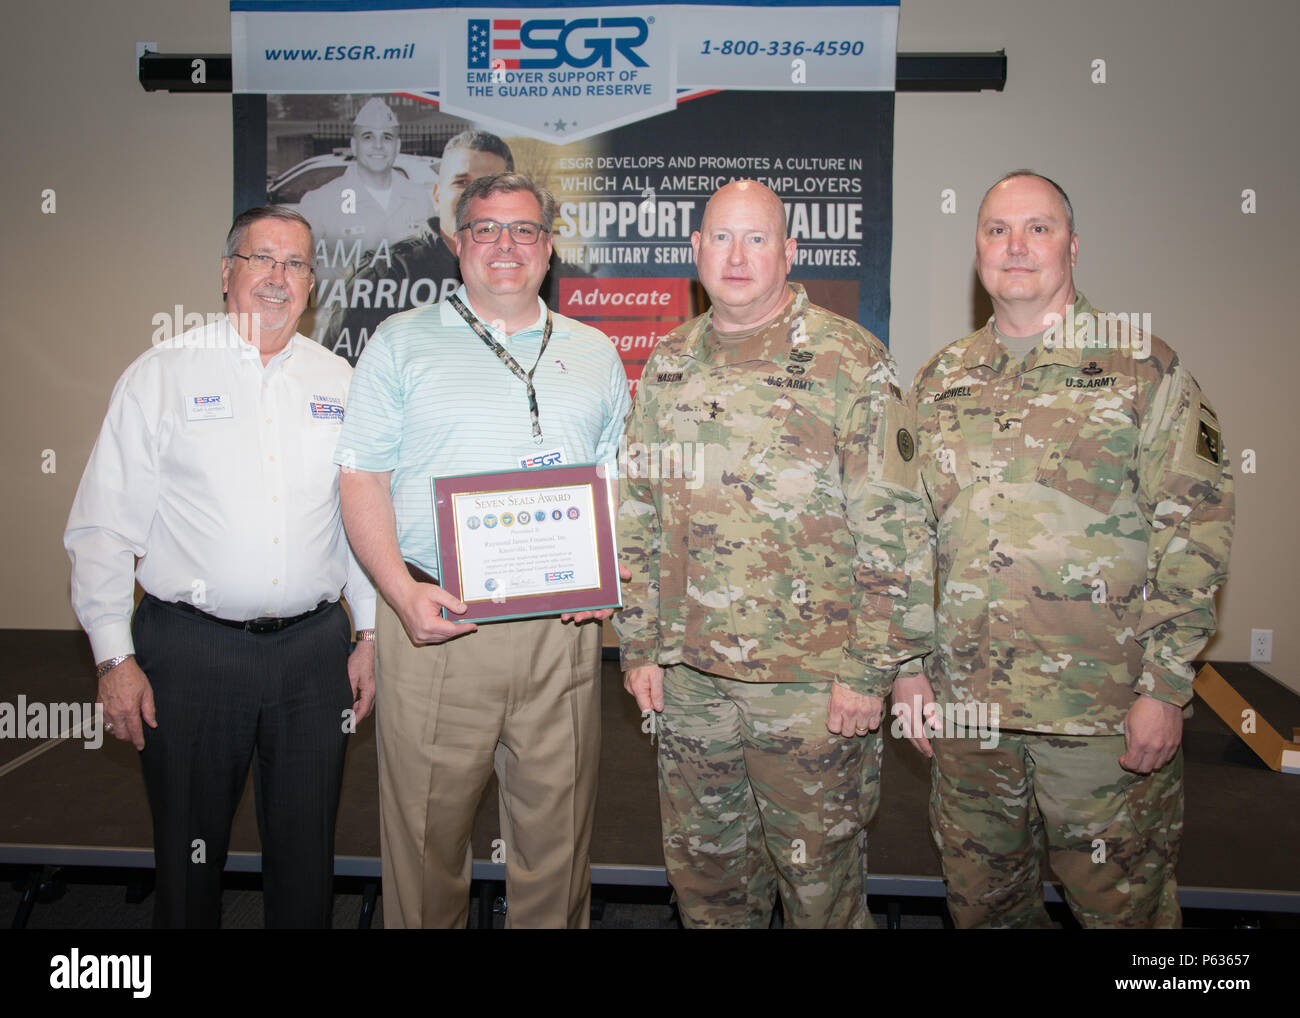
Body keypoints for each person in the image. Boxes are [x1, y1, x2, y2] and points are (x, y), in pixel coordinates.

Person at [899, 170, 1234, 928]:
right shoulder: (941, 380)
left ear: (1072, 247)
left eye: (1038, 228)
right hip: (968, 718)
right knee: (984, 911)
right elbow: (906, 534)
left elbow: (1197, 527)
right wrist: (907, 670)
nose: (1015, 247)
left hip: (1102, 722)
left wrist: (1165, 687)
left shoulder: (1144, 370)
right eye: (996, 230)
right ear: (976, 249)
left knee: (1126, 916)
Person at [614, 180, 931, 928]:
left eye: (757, 238)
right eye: (721, 237)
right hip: (690, 682)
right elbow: (638, 512)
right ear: (695, 252)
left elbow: (896, 525)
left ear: (789, 252)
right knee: (708, 888)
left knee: (820, 889)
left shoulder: (851, 360)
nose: (737, 255)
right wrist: (639, 646)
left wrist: (870, 669)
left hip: (813, 690)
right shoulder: (669, 361)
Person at [64, 206, 376, 928]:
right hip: (189, 653)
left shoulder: (343, 382)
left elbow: (360, 522)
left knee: (305, 864)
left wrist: (368, 636)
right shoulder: (161, 377)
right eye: (262, 259)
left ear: (311, 284)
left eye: (296, 264)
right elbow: (102, 526)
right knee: (189, 859)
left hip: (312, 657)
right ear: (227, 273)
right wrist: (115, 657)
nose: (278, 277)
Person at [336, 172, 630, 928]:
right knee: (425, 845)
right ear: (457, 244)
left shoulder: (596, 353)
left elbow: (617, 482)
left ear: (550, 244)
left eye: (525, 229)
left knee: (556, 847)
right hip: (435, 625)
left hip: (559, 633)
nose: (507, 246)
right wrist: (399, 595)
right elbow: (361, 477)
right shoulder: (401, 343)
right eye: (487, 230)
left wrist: (610, 573)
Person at [316, 129, 514, 363]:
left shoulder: (532, 274)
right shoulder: (381, 277)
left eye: (490, 186)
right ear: (437, 195)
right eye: (461, 182)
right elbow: (340, 382)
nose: (475, 197)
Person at [298, 97, 433, 260]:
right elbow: (303, 267)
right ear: (354, 146)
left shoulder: (418, 199)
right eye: (368, 137)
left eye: (387, 137)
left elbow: (429, 260)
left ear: (397, 146)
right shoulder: (320, 202)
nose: (378, 145)